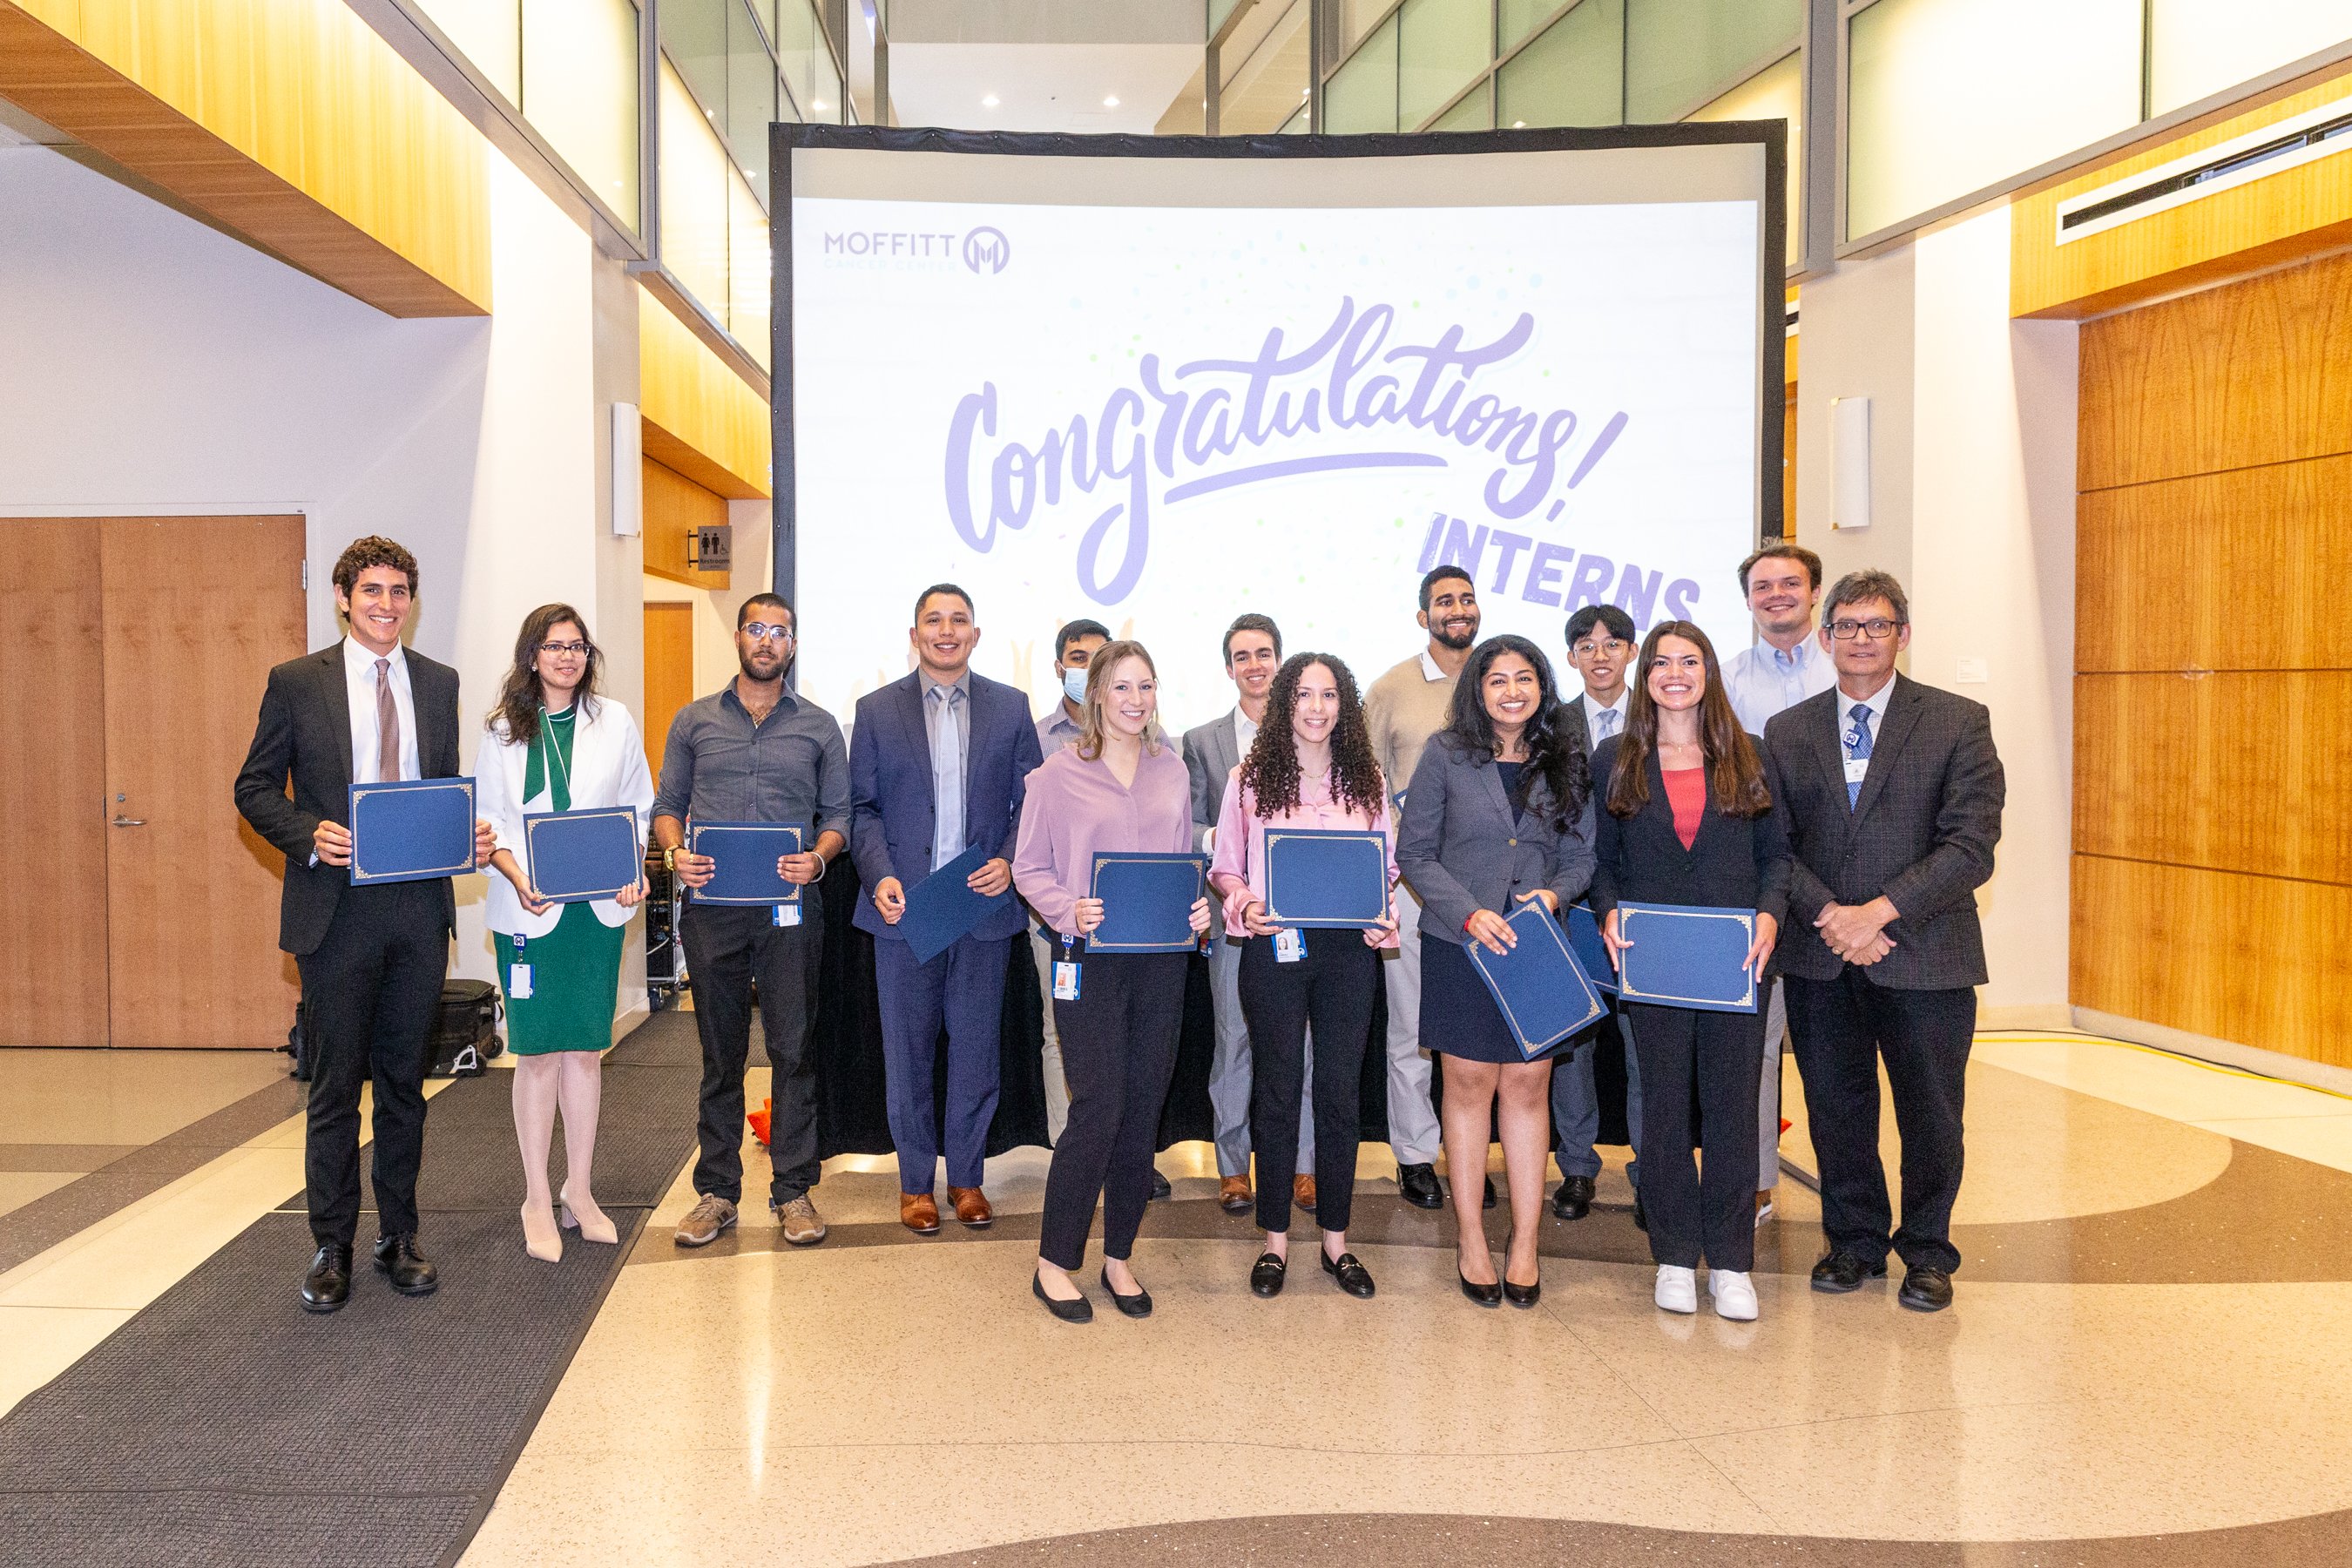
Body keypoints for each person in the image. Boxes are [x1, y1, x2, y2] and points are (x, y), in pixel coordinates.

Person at [233, 535, 495, 1313]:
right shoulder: (295, 682)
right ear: (344, 599)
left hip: (416, 911)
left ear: (412, 602)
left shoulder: (439, 682)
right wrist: (307, 834)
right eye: (372, 591)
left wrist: (466, 833)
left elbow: (437, 790)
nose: (387, 605)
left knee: (406, 1086)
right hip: (335, 911)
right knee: (335, 1087)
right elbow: (253, 788)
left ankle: (399, 1237)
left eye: (399, 592)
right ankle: (332, 1245)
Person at [1763, 570, 2004, 1315]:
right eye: (1847, 626)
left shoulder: (1958, 721)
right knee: (1837, 1110)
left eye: (1877, 625)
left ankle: (1928, 1252)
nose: (1861, 638)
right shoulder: (1787, 730)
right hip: (1821, 954)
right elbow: (1774, 847)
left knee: (1931, 1116)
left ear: (1903, 634)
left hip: (1925, 953)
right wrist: (1834, 916)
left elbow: (1971, 845)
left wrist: (1879, 914)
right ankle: (1854, 1242)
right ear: (1825, 636)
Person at [1591, 621, 1788, 1321]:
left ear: (1708, 672)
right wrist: (1607, 913)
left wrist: (1770, 916)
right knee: (1664, 1110)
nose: (1675, 673)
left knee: (1734, 1111)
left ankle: (1731, 1261)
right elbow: (1602, 863)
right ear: (1645, 675)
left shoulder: (1750, 753)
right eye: (1662, 662)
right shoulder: (1615, 757)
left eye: (1690, 661)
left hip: (1735, 960)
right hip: (1655, 962)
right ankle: (1674, 1255)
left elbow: (1777, 858)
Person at [1012, 640, 1210, 1322]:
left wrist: (1198, 907)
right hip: (1086, 960)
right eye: (1121, 686)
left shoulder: (1173, 771)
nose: (1134, 699)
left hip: (1161, 960)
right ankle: (1053, 1261)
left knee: (1143, 1107)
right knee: (1098, 1107)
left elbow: (1181, 862)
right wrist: (1068, 908)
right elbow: (1028, 867)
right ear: (1095, 693)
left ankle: (1119, 1257)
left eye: (1145, 686)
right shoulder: (1055, 774)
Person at [1397, 634, 1596, 1309]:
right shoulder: (1444, 754)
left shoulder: (1566, 757)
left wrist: (1554, 896)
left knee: (1529, 1088)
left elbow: (1583, 856)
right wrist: (1468, 913)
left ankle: (1526, 1243)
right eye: (1497, 680)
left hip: (1538, 946)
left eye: (1524, 678)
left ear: (1542, 686)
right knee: (1468, 1086)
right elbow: (1415, 853)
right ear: (1477, 691)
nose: (1512, 691)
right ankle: (1472, 1240)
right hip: (1462, 944)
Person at [652, 593, 850, 1250]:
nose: (767, 640)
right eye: (757, 629)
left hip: (791, 912)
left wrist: (818, 859)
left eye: (779, 632)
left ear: (792, 644)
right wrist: (675, 855)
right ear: (738, 637)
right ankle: (717, 1192)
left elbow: (839, 816)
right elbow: (667, 805)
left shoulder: (819, 726)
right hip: (713, 912)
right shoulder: (694, 721)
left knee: (793, 1050)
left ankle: (793, 1190)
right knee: (721, 1055)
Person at [851, 585, 1045, 1233]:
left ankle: (966, 1178)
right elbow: (861, 809)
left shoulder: (1011, 707)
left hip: (979, 905)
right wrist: (879, 874)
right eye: (933, 620)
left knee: (976, 1052)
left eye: (959, 620)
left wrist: (1011, 861)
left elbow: (1033, 804)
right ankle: (915, 1184)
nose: (946, 630)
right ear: (914, 635)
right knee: (907, 1054)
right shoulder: (876, 711)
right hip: (905, 908)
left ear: (975, 635)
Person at [1209, 652, 1397, 1301]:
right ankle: (1274, 1242)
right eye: (1304, 695)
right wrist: (1243, 904)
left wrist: (1383, 913)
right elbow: (1225, 867)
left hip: (1349, 954)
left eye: (1329, 695)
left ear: (1345, 705)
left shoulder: (1368, 780)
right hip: (1275, 949)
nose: (1317, 708)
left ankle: (1337, 1243)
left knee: (1341, 1094)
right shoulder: (1248, 779)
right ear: (1285, 702)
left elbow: (1387, 867)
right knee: (1278, 1090)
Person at [476, 605, 656, 1263]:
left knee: (583, 1051)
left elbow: (638, 807)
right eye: (554, 646)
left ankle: (578, 1190)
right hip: (529, 907)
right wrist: (518, 877)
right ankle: (534, 1197)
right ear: (533, 655)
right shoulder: (501, 731)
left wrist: (633, 868)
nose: (567, 657)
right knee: (536, 1054)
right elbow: (487, 821)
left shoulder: (615, 720)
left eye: (577, 646)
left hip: (594, 912)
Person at [1182, 613, 1317, 1217]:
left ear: (1280, 662)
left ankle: (1303, 1167)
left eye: (1264, 653)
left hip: (1302, 916)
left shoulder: (1313, 728)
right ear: (1229, 667)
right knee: (1233, 1039)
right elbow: (1186, 824)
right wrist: (1223, 839)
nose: (1254, 665)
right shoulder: (1202, 741)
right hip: (1232, 914)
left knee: (1301, 1044)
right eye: (1242, 656)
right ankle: (1233, 1167)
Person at [1362, 564, 1488, 1212]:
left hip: (1489, 889)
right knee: (1411, 1026)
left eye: (1467, 599)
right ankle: (1415, 1154)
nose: (1457, 609)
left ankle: (1470, 1157)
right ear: (1423, 616)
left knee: (1479, 1030)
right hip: (1411, 885)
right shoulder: (1390, 688)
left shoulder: (1501, 680)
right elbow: (1365, 787)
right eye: (1444, 601)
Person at [1720, 541, 1836, 1226]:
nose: (1776, 595)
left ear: (1814, 592)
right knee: (1757, 1048)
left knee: (1833, 1052)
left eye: (1790, 583)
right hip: (1759, 885)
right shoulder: (1728, 682)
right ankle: (1758, 1180)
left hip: (1840, 891)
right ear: (1748, 600)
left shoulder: (1848, 670)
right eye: (1763, 586)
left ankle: (1847, 1193)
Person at [1551, 604, 1642, 1225]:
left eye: (1613, 643)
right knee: (1574, 1045)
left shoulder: (1665, 713)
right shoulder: (1549, 725)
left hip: (1639, 906)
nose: (1600, 655)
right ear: (1571, 658)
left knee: (1645, 1047)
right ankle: (1578, 1167)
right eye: (1586, 645)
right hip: (1571, 906)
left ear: (1632, 652)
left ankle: (1652, 1169)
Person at [1029, 618, 1110, 1150]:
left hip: (1123, 917)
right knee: (1059, 1033)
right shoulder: (1036, 740)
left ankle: (1121, 1153)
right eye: (1079, 659)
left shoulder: (1147, 742)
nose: (1090, 669)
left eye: (1101, 659)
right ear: (1060, 667)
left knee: (1122, 1036)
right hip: (1053, 916)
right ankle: (1071, 1153)